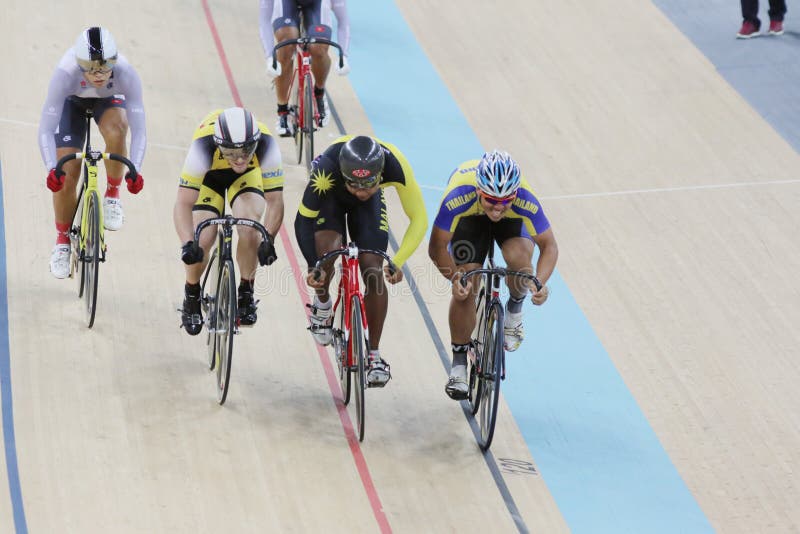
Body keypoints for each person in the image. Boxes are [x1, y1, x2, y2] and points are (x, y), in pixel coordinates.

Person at [294, 135, 427, 387]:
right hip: (331, 197)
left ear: (380, 174)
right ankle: (323, 304)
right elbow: (302, 220)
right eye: (354, 185)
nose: (361, 192)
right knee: (326, 255)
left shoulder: (395, 164)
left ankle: (374, 355)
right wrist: (314, 265)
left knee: (373, 271)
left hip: (368, 211)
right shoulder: (326, 169)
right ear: (344, 174)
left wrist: (398, 261)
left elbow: (419, 218)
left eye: (368, 185)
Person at [428, 150, 558, 400]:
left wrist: (540, 283)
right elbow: (436, 247)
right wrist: (454, 279)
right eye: (491, 201)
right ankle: (458, 364)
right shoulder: (458, 195)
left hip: (513, 222)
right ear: (479, 191)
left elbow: (549, 246)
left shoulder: (524, 199)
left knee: (519, 258)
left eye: (505, 201)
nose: (498, 209)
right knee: (467, 282)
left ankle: (514, 310)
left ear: (514, 195)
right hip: (469, 218)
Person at [39, 26, 145, 279]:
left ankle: (112, 195)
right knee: (67, 171)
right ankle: (62, 241)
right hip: (71, 103)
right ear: (79, 64)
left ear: (114, 61)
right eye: (90, 68)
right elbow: (45, 129)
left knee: (118, 130)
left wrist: (135, 169)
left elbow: (140, 130)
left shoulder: (126, 73)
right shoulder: (65, 73)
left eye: (105, 67)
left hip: (108, 100)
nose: (98, 75)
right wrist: (52, 168)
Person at [175, 107, 284, 335]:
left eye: (246, 150)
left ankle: (246, 291)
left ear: (255, 142)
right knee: (202, 238)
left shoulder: (266, 145)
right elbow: (183, 203)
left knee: (250, 228)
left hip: (246, 177)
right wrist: (187, 243)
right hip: (209, 178)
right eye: (231, 153)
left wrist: (269, 239)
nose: (240, 158)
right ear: (218, 144)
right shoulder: (203, 147)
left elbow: (275, 201)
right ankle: (192, 294)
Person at [259, 0, 351, 136]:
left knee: (319, 47)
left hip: (317, 4)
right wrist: (270, 58)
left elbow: (343, 21)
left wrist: (344, 55)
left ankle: (319, 93)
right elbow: (264, 20)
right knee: (286, 44)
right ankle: (283, 110)